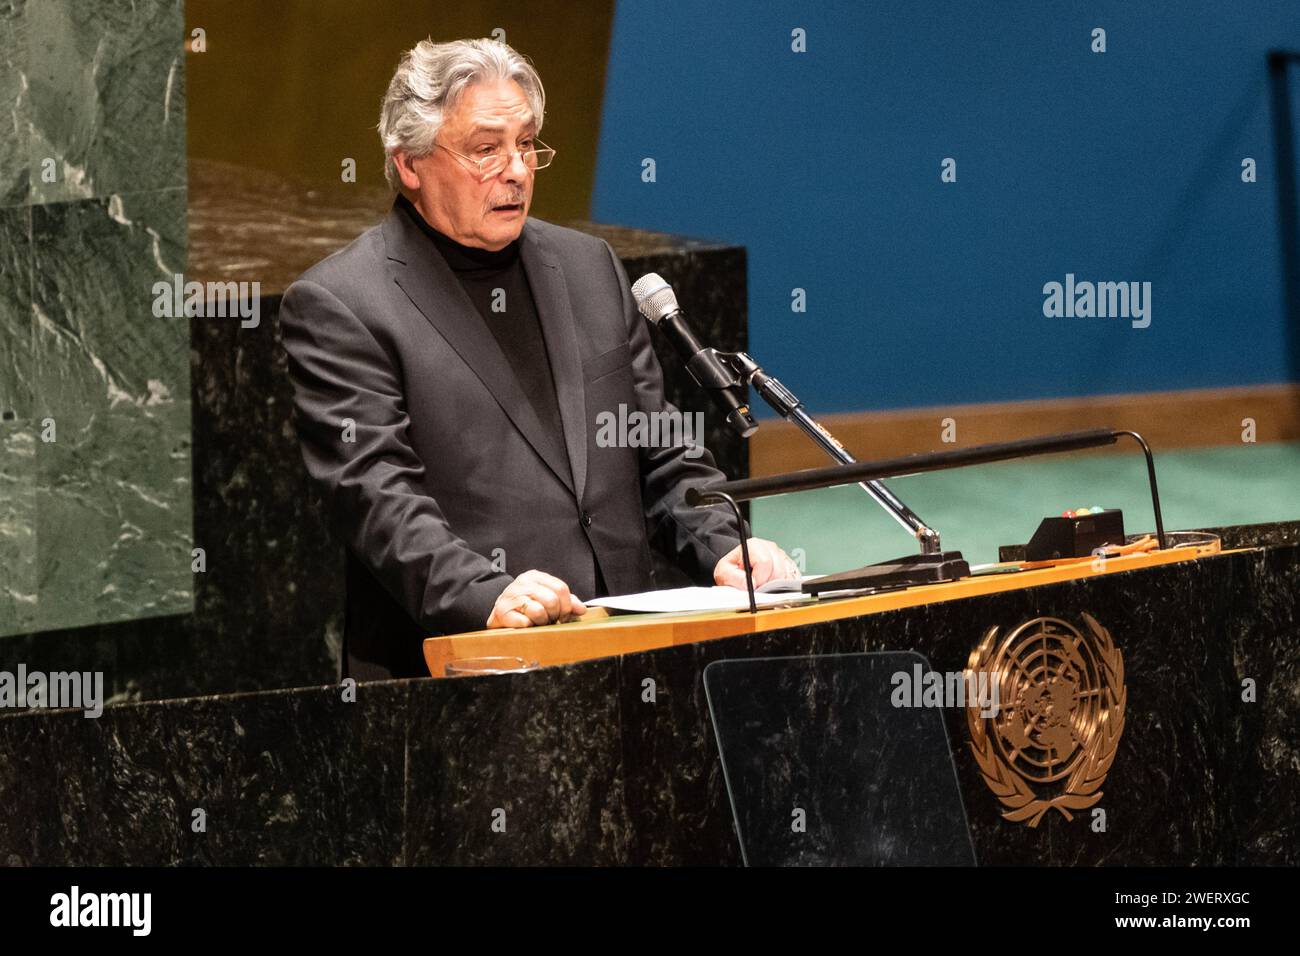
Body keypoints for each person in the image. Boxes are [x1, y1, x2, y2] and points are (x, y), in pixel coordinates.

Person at [279, 37, 798, 680]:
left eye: (526, 144)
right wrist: (485, 591)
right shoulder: (343, 303)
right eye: (486, 149)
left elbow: (661, 452)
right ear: (409, 163)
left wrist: (723, 546)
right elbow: (376, 499)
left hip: (623, 652)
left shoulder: (589, 269)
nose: (517, 170)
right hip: (461, 675)